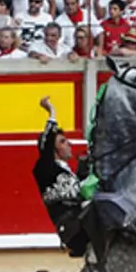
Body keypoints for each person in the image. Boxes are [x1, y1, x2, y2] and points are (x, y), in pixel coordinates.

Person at [34, 95, 94, 258]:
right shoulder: (45, 168)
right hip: (72, 228)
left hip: (81, 222)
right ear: (53, 148)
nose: (70, 145)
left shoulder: (67, 172)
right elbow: (46, 143)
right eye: (63, 142)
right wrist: (52, 112)